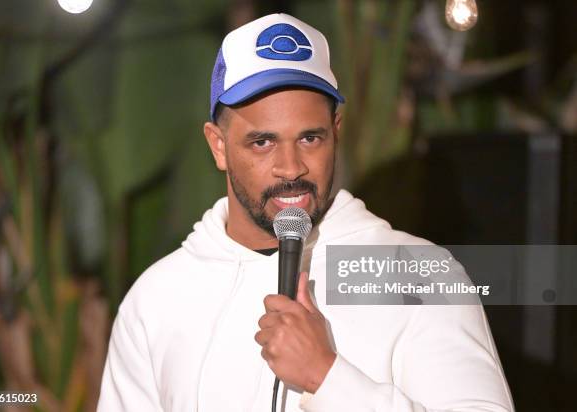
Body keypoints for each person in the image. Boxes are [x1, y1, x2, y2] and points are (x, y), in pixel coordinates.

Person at [97, 13, 514, 412]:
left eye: (310, 138)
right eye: (262, 142)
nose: (291, 167)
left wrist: (327, 377)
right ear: (218, 146)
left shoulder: (418, 275)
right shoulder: (157, 299)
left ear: (335, 130)